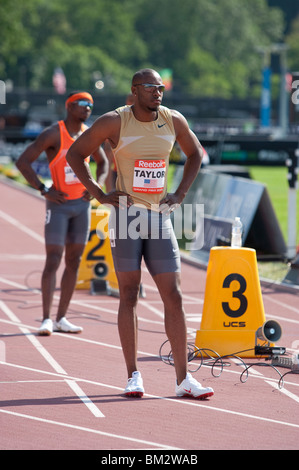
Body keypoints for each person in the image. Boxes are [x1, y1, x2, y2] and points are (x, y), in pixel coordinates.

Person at [66, 69, 214, 400]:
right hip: (126, 219)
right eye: (151, 88)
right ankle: (133, 375)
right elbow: (75, 153)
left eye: (161, 88)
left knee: (173, 294)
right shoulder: (114, 122)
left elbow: (195, 155)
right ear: (135, 91)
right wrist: (98, 194)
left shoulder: (173, 120)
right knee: (129, 293)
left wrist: (180, 195)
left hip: (159, 216)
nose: (158, 92)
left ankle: (183, 380)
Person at [16, 91, 108, 336]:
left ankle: (62, 318)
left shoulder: (90, 134)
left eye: (90, 104)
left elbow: (103, 162)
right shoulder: (53, 133)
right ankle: (46, 319)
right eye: (82, 104)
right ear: (69, 107)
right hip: (58, 205)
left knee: (74, 261)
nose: (87, 108)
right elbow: (23, 162)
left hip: (81, 206)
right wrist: (43, 188)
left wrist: (96, 186)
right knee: (54, 259)